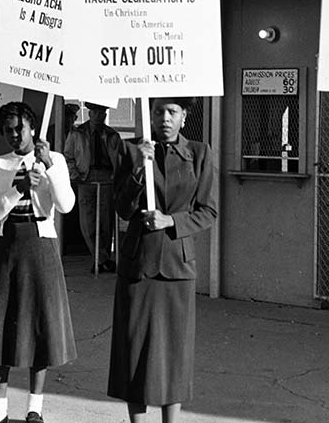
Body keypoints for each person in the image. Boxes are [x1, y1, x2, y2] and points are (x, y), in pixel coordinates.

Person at [108, 97, 217, 423]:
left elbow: (208, 211)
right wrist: (139, 172)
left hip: (176, 266)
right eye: (158, 112)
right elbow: (122, 208)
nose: (164, 118)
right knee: (135, 350)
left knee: (173, 355)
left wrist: (172, 222)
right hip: (138, 264)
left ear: (184, 117)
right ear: (149, 115)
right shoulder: (131, 152)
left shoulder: (199, 153)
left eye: (172, 112)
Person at [0, 101, 77, 423]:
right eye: (8, 130)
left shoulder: (52, 159)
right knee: (0, 326)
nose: (15, 135)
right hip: (8, 246)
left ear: (33, 127)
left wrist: (51, 169)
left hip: (41, 246)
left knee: (38, 326)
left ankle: (35, 408)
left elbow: (66, 205)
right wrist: (18, 189)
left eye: (20, 128)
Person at [64, 101, 125, 273]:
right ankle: (100, 258)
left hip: (107, 178)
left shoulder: (112, 135)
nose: (99, 116)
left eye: (102, 113)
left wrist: (117, 176)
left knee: (105, 220)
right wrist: (75, 175)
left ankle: (102, 258)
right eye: (96, 113)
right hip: (86, 177)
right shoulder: (77, 133)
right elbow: (68, 156)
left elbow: (120, 159)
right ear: (89, 114)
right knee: (88, 221)